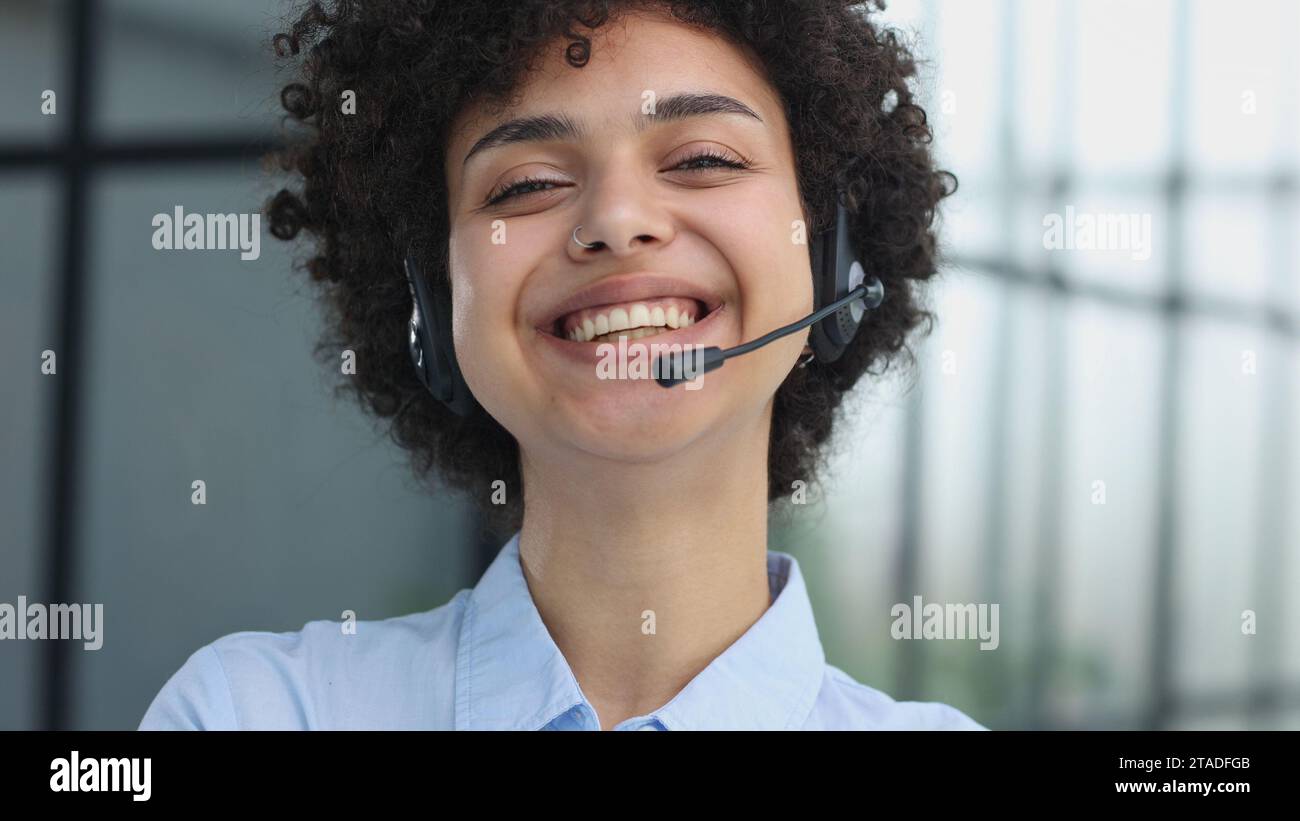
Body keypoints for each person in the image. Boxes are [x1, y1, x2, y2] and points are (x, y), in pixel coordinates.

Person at [140, 0, 983, 731]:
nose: (616, 220)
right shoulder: (257, 712)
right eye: (527, 184)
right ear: (433, 301)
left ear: (830, 255)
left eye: (703, 161)